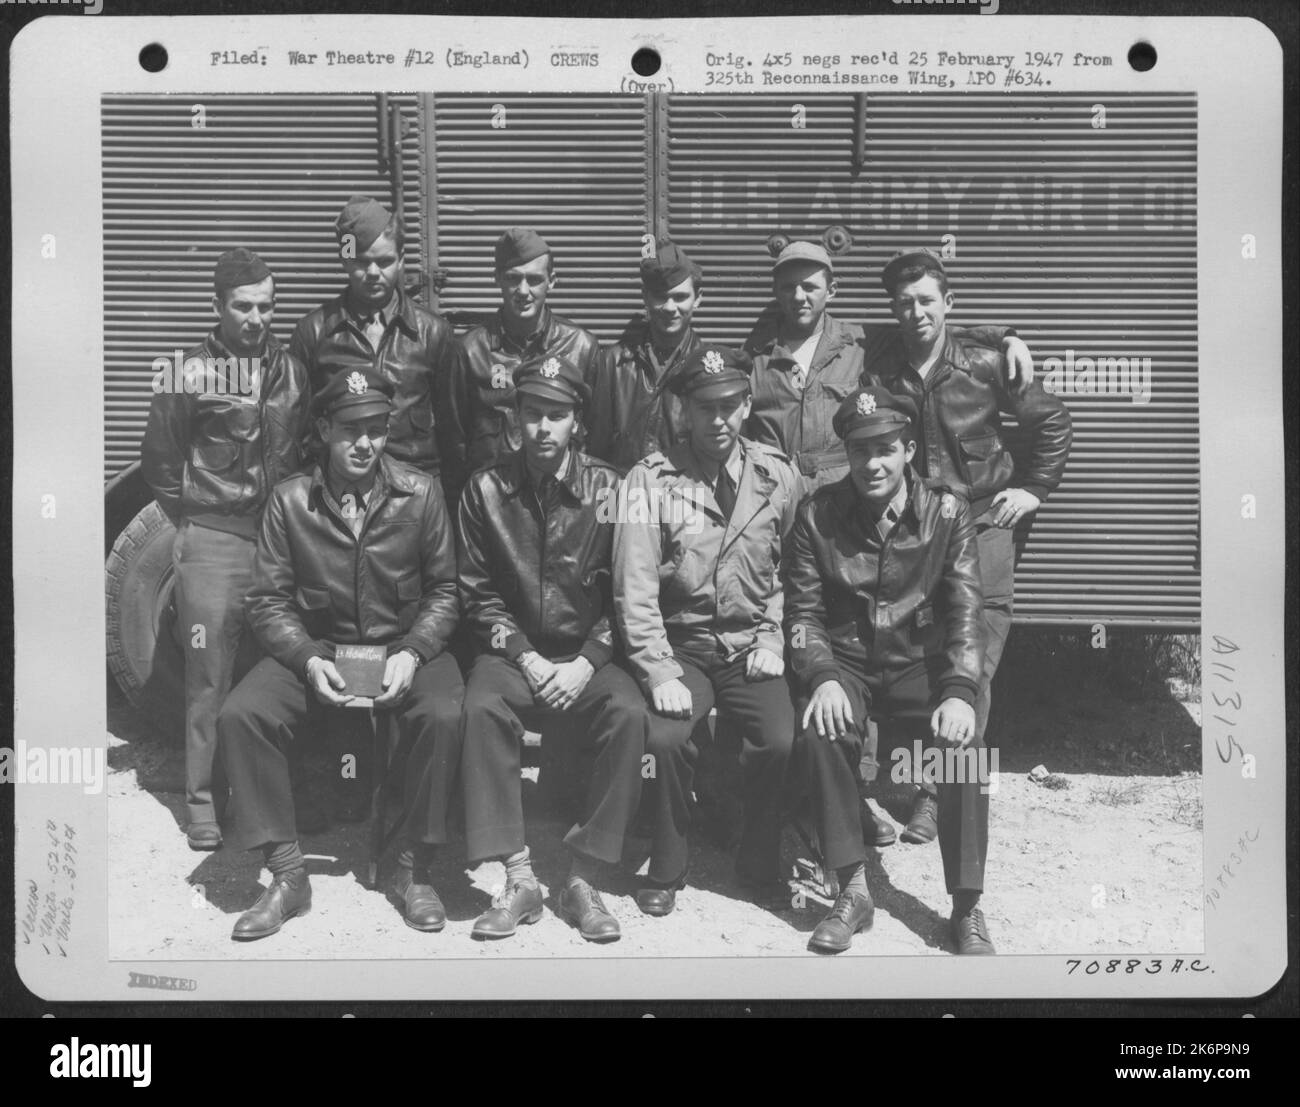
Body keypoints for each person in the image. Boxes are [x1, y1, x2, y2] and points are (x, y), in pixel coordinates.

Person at [216, 368, 464, 940]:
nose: (364, 443)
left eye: (377, 429)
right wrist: (306, 658)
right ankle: (286, 875)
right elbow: (268, 601)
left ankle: (410, 869)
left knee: (445, 713)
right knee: (243, 712)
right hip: (322, 649)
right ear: (324, 428)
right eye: (350, 429)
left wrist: (415, 651)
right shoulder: (289, 502)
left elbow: (446, 591)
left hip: (402, 646)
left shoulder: (420, 493)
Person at [867, 249, 1072, 845]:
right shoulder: (881, 362)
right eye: (904, 303)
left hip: (984, 525)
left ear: (948, 304)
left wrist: (1032, 490)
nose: (916, 313)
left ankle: (939, 795)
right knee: (914, 652)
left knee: (973, 664)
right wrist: (1006, 330)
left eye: (927, 300)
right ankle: (891, 784)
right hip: (919, 530)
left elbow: (1053, 422)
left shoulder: (984, 364)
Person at [786, 385, 992, 955]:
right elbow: (801, 615)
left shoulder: (947, 513)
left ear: (907, 451)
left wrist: (958, 690)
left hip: (921, 663)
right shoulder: (817, 515)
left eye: (885, 449)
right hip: (849, 661)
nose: (871, 463)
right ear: (846, 455)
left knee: (967, 746)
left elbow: (967, 611)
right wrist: (822, 674)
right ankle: (852, 888)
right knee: (820, 728)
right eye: (858, 451)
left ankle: (967, 904)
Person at [457, 354, 651, 943]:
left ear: (577, 423)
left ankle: (583, 877)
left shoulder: (614, 489)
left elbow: (633, 594)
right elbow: (476, 592)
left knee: (628, 713)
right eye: (533, 413)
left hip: (591, 655)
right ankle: (518, 877)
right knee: (481, 706)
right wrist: (526, 655)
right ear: (515, 417)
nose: (544, 427)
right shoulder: (484, 488)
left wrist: (589, 661)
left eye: (557, 415)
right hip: (516, 653)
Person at [613, 344, 801, 916]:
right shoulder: (650, 481)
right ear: (685, 412)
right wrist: (658, 669)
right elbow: (634, 589)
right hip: (683, 647)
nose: (717, 421)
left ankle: (759, 858)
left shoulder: (777, 477)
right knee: (667, 738)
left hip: (749, 645)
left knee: (778, 738)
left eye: (729, 406)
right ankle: (668, 866)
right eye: (704, 408)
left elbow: (793, 571)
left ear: (746, 405)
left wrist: (772, 638)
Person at [141, 248, 310, 852]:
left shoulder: (291, 373)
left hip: (278, 540)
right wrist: (196, 523)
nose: (257, 319)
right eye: (244, 307)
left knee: (274, 670)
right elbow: (159, 462)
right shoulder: (186, 374)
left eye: (267, 307)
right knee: (209, 674)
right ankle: (204, 804)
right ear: (217, 306)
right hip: (213, 540)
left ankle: (270, 798)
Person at [743, 239, 1036, 498]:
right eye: (788, 287)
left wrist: (1005, 336)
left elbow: (931, 327)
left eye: (809, 286)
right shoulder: (754, 359)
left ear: (831, 291)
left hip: (843, 498)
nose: (798, 297)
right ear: (776, 292)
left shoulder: (860, 342)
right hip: (775, 494)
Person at [290, 194, 455, 478]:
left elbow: (453, 430)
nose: (373, 273)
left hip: (414, 491)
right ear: (345, 262)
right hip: (340, 488)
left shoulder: (433, 332)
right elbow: (298, 427)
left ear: (402, 260)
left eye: (385, 261)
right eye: (362, 262)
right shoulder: (314, 331)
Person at [444, 227, 600, 506]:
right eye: (513, 279)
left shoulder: (582, 347)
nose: (523, 291)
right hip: (493, 503)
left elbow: (594, 438)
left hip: (562, 502)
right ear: (497, 279)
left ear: (552, 281)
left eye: (535, 279)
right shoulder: (469, 351)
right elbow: (454, 446)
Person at [586, 240, 704, 471]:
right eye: (661, 296)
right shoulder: (611, 363)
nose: (670, 308)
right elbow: (595, 449)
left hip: (685, 498)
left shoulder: (705, 364)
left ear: (698, 298)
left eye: (680, 297)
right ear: (645, 297)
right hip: (624, 495)